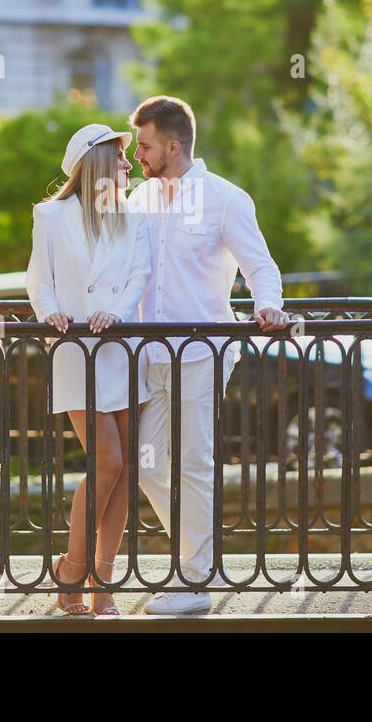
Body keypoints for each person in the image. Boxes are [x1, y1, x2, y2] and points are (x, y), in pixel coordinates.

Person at [127, 96, 289, 615]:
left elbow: (261, 268)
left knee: (194, 461)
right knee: (146, 463)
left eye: (145, 145)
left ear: (172, 146)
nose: (136, 156)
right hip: (145, 353)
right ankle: (200, 559)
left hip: (203, 351)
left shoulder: (225, 199)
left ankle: (194, 581)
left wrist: (267, 307)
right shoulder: (138, 200)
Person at [25, 123, 151, 616]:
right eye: (120, 157)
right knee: (108, 463)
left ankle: (102, 580)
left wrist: (117, 310)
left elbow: (139, 273)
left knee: (125, 473)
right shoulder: (51, 215)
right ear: (96, 163)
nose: (127, 165)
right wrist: (49, 312)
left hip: (121, 347)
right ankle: (73, 569)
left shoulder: (133, 217)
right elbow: (39, 277)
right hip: (76, 351)